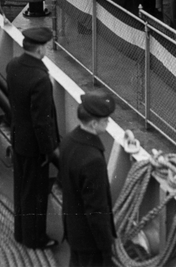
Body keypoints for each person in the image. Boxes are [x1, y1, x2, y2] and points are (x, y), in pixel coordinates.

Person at [6, 27, 60, 250]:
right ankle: (34, 237)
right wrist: (49, 151)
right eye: (45, 46)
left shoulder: (12, 66)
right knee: (35, 194)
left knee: (21, 189)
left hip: (18, 138)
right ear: (39, 50)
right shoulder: (41, 80)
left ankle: (21, 232)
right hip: (34, 148)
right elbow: (41, 123)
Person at [59, 90, 117, 267]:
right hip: (89, 241)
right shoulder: (93, 160)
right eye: (105, 121)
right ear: (93, 124)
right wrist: (107, 248)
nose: (108, 123)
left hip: (73, 230)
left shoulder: (68, 141)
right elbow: (96, 211)